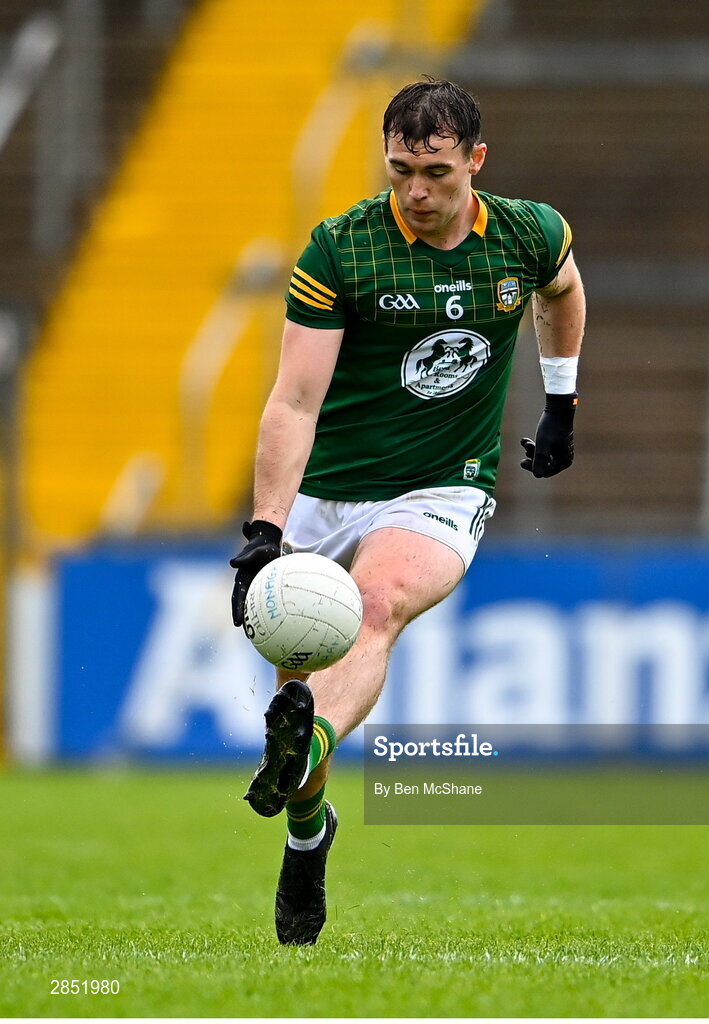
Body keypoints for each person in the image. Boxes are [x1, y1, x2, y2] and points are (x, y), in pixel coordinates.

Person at [230, 79, 586, 945]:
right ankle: (309, 829)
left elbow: (563, 291)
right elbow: (294, 401)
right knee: (301, 675)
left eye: (434, 173)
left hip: (444, 481)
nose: (416, 193)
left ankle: (305, 747)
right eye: (399, 171)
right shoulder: (343, 250)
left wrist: (561, 403)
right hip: (325, 490)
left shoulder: (528, 232)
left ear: (476, 160)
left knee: (376, 605)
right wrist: (267, 530)